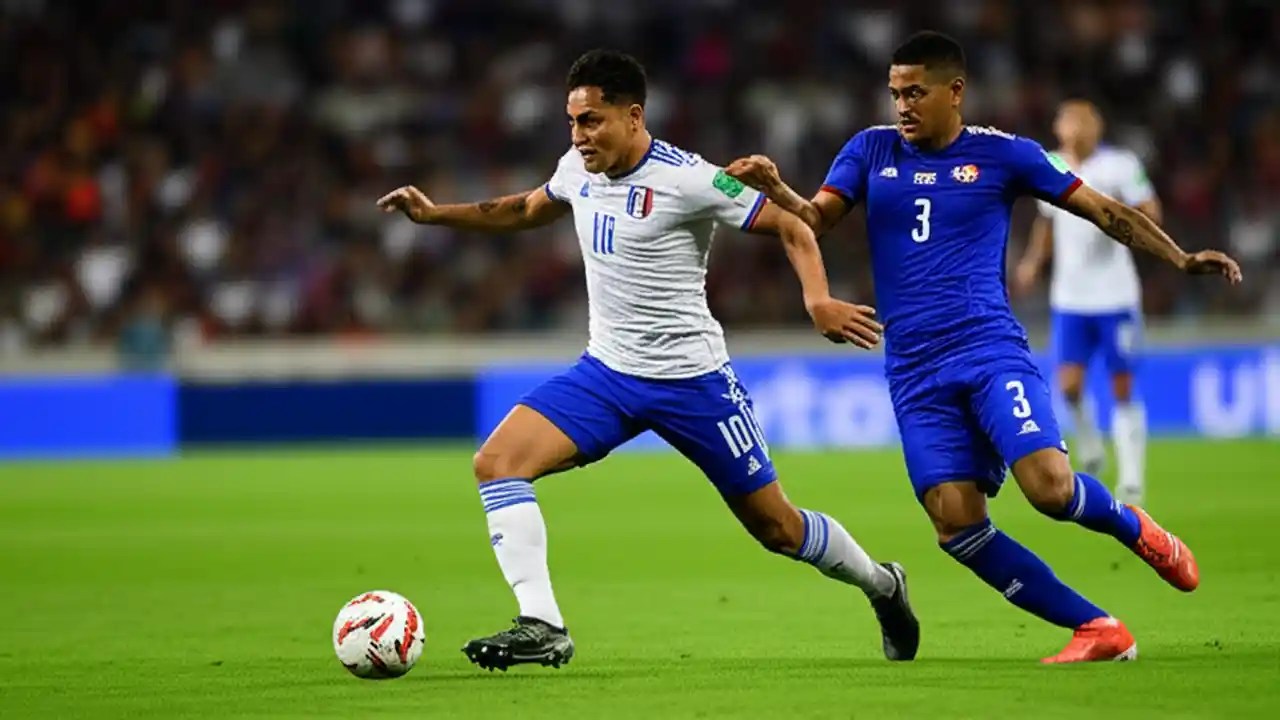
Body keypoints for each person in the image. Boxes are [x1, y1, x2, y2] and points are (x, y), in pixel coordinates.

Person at [377, 49, 919, 672]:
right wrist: (434, 214)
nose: (579, 136)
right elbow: (527, 208)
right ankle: (542, 624)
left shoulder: (689, 179)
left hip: (694, 382)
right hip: (606, 374)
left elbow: (794, 229)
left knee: (778, 529)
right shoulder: (577, 169)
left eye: (592, 122)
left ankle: (883, 585)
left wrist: (818, 299)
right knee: (497, 463)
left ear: (633, 116)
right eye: (573, 122)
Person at [725, 31, 1242, 663]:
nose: (902, 107)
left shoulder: (1005, 156)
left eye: (915, 93)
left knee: (1050, 489)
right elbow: (815, 220)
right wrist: (778, 189)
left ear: (955, 91)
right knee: (954, 522)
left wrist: (1180, 257)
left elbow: (1105, 210)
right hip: (913, 367)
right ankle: (1097, 628)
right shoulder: (868, 150)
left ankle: (1137, 528)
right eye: (895, 94)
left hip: (986, 347)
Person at [1013, 99, 1161, 505]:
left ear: (1096, 127)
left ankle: (1131, 477)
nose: (1074, 129)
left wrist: (1120, 213)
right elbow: (1046, 223)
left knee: (1122, 385)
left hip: (1116, 295)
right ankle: (1090, 441)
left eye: (1082, 122)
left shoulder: (1121, 166)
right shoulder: (1052, 165)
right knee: (1070, 386)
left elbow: (1151, 211)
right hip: (1071, 298)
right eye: (1067, 122)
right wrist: (1030, 264)